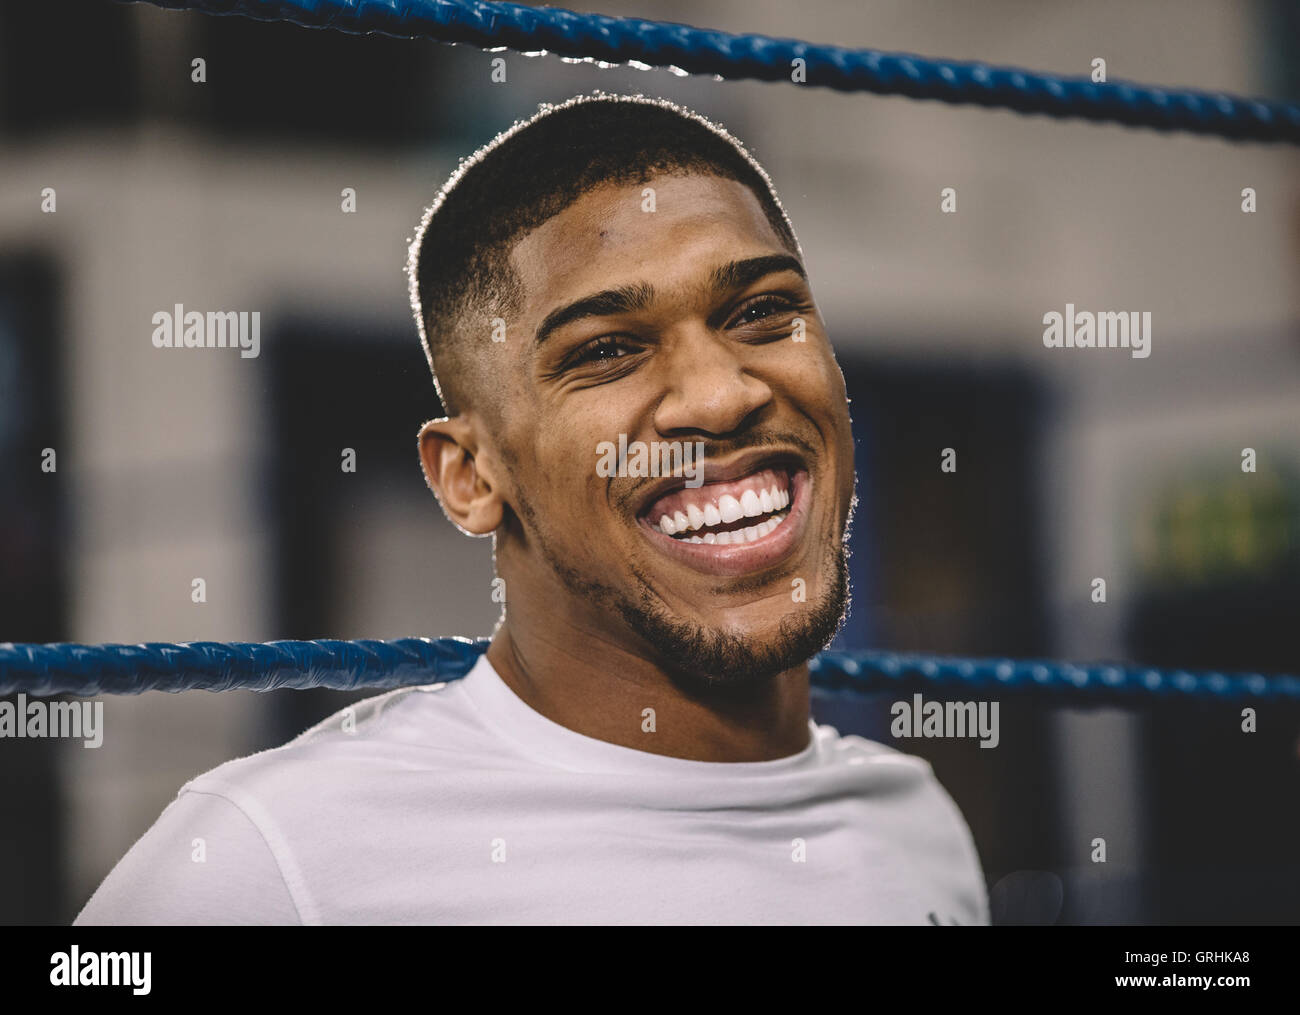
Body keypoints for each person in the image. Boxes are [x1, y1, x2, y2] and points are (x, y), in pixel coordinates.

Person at [77, 93, 989, 925]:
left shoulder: (917, 823)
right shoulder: (275, 859)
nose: (719, 395)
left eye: (761, 311)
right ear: (469, 477)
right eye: (606, 352)